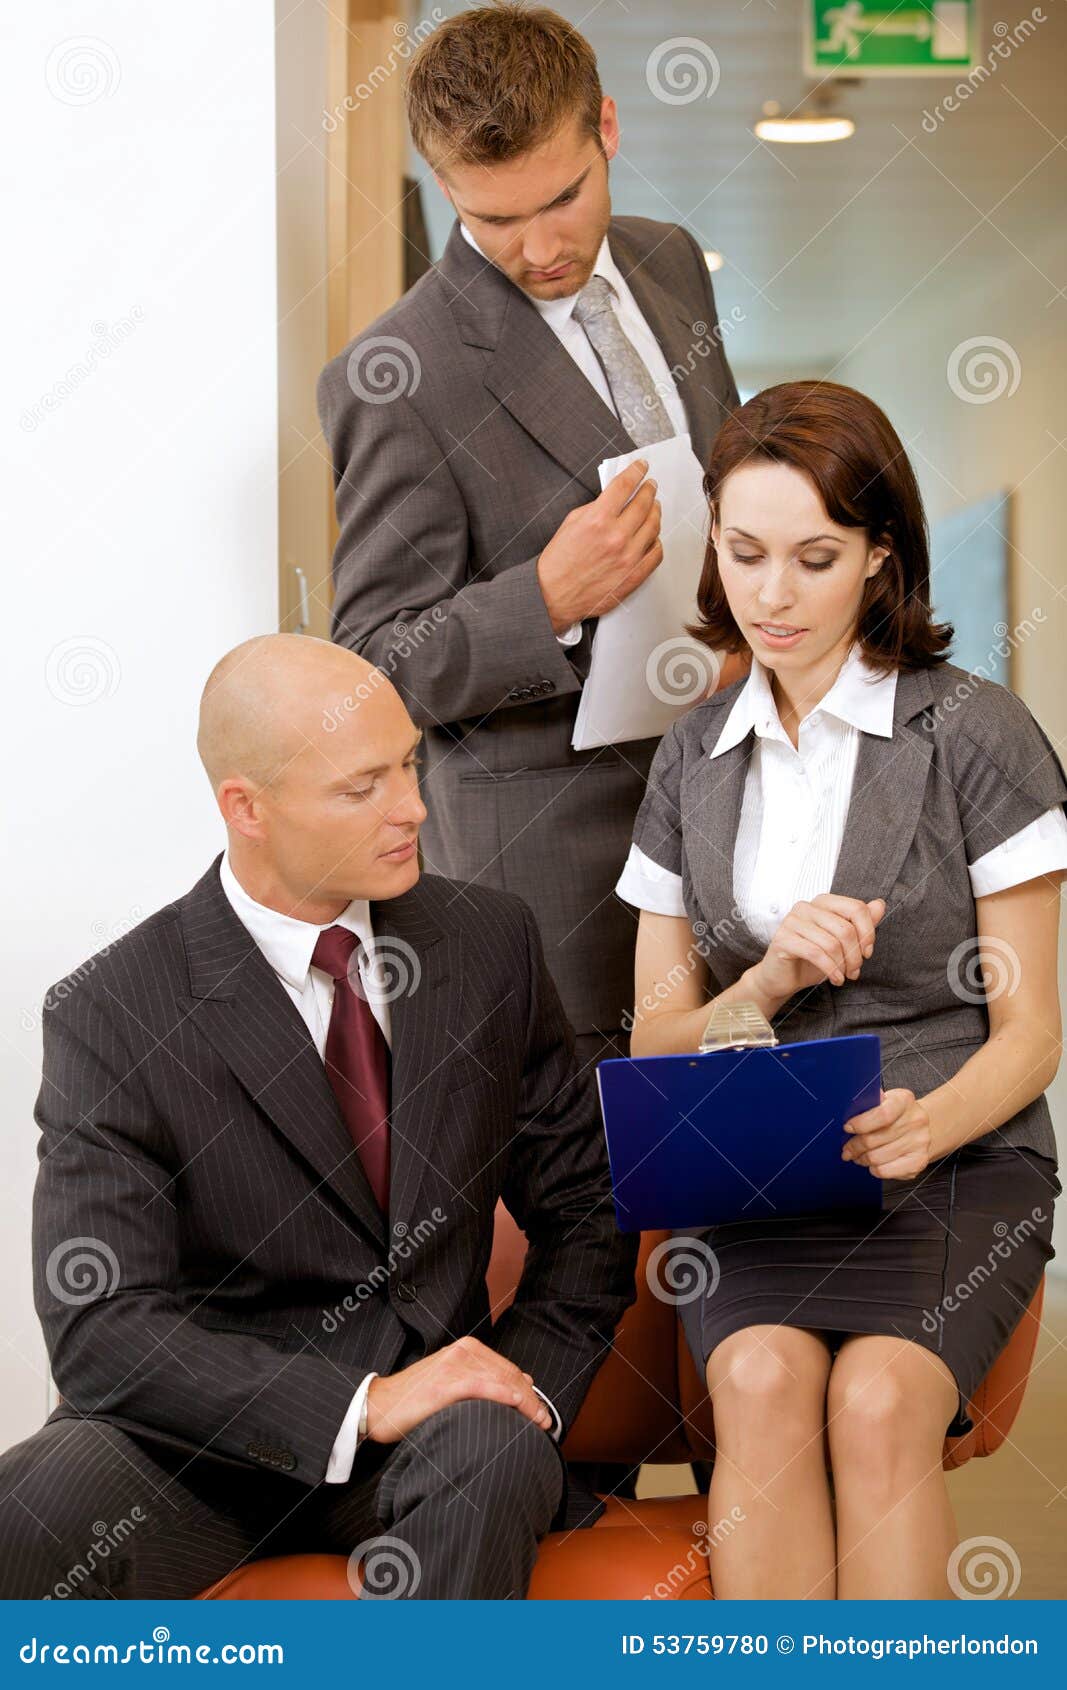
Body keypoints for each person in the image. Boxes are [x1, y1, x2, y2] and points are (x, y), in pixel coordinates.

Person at [0, 634, 637, 1600]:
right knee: (33, 1507)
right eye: (363, 786)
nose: (413, 808)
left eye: (410, 766)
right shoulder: (111, 1008)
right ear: (245, 808)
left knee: (491, 1454)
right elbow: (101, 1328)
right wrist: (360, 1403)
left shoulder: (487, 944)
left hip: (432, 1444)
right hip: (191, 1455)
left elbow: (587, 1209)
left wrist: (525, 1391)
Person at [615, 380, 1066, 1600]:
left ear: (878, 555)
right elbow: (653, 1035)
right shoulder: (687, 759)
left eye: (813, 558)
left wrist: (929, 1125)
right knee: (757, 1386)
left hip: (956, 1157)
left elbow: (1032, 1033)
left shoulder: (975, 734)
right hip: (759, 1177)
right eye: (744, 553)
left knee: (875, 1400)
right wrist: (762, 976)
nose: (770, 595)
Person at [316, 3, 740, 1077]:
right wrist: (544, 596)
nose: (542, 249)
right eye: (494, 220)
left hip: (729, 817)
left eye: (562, 199)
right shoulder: (398, 376)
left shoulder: (669, 260)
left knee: (738, 1191)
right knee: (591, 1224)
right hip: (554, 882)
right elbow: (369, 661)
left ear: (605, 127)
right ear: (441, 180)